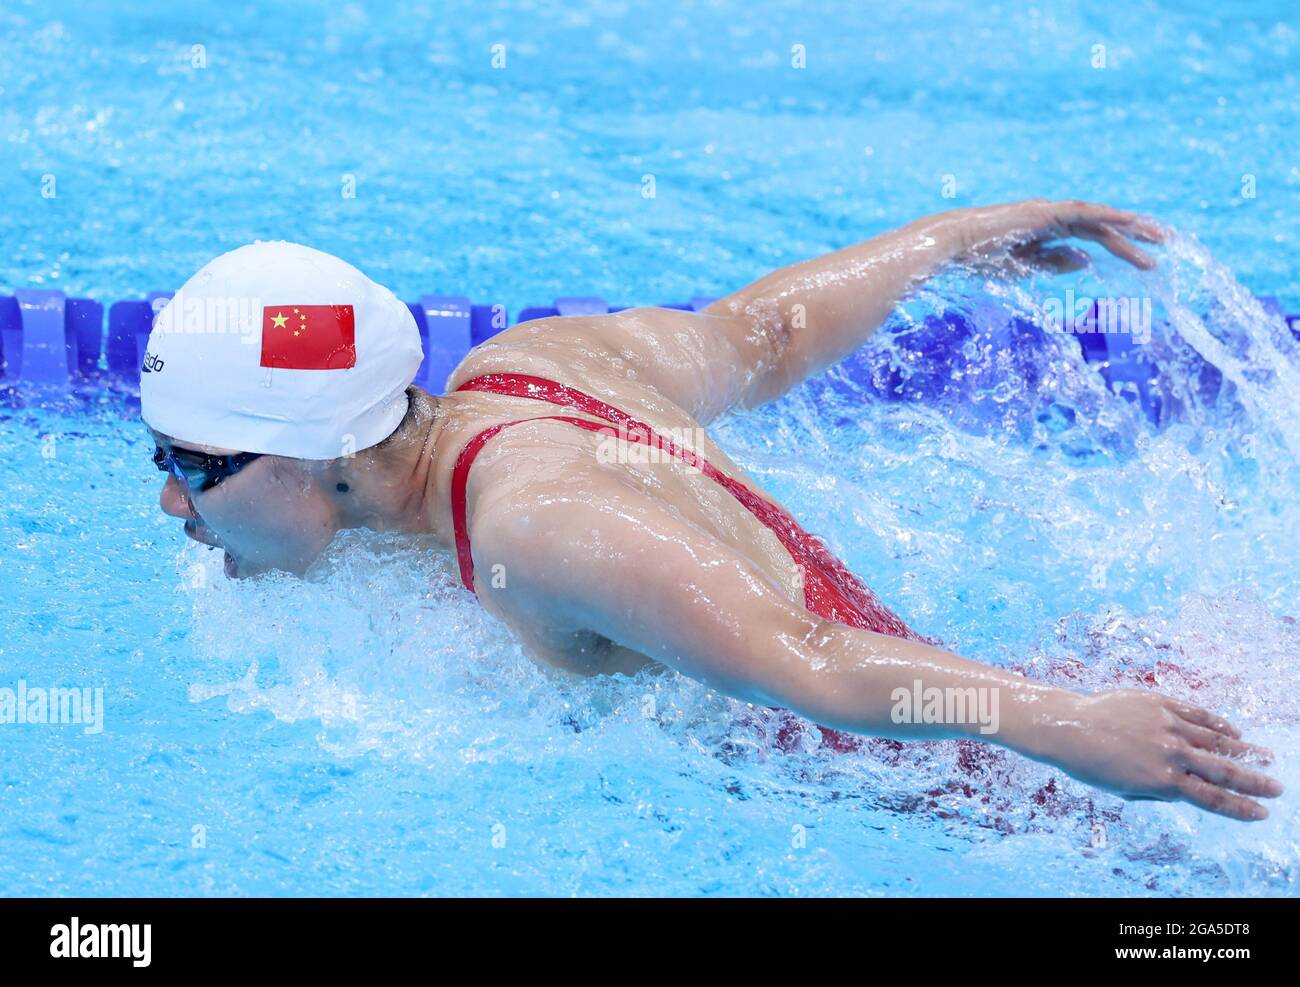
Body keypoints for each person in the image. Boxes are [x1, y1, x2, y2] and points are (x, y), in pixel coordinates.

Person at [142, 199, 1282, 821]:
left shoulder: (532, 529)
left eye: (190, 466)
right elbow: (761, 334)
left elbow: (813, 662)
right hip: (1050, 688)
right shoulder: (534, 363)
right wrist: (952, 238)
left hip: (1008, 795)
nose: (170, 502)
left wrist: (1066, 728)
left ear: (306, 459)